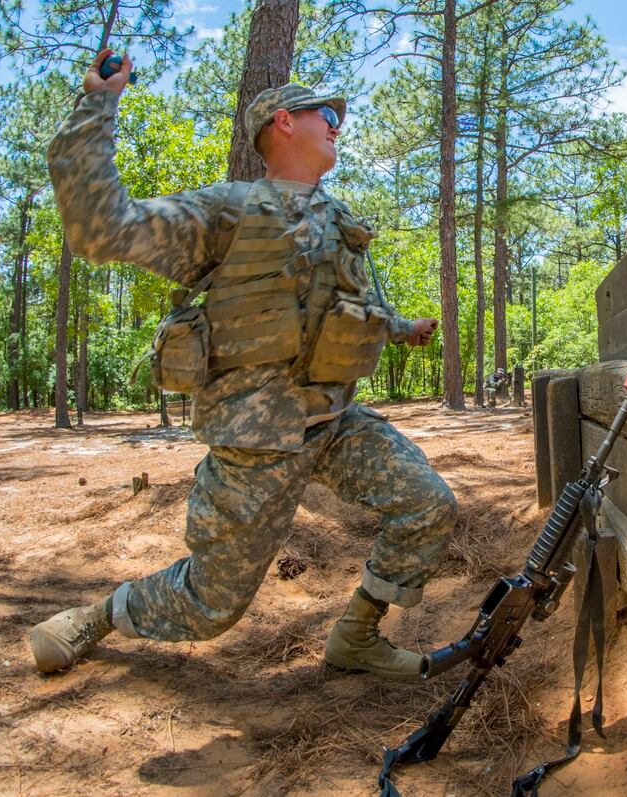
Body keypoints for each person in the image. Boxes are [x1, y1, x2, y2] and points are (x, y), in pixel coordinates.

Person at [30, 50, 457, 680]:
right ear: (283, 122)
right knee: (211, 606)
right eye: (325, 112)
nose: (337, 124)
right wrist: (98, 102)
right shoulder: (227, 210)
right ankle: (99, 614)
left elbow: (340, 313)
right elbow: (102, 228)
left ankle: (356, 636)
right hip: (255, 440)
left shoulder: (339, 220)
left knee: (429, 505)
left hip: (336, 423)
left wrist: (399, 330)